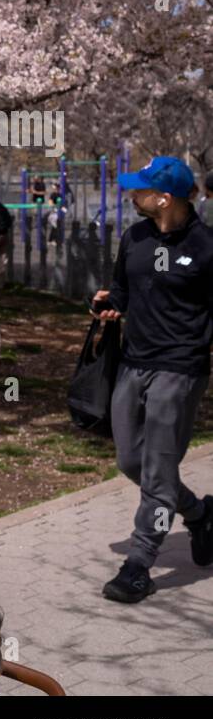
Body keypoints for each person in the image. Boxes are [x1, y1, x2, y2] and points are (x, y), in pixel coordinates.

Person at [92, 156, 213, 603]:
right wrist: (106, 304)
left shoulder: (205, 247)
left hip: (180, 371)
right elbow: (121, 291)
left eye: (140, 189)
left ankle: (139, 563)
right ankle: (200, 515)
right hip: (132, 364)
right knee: (131, 462)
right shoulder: (135, 238)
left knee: (159, 472)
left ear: (164, 199)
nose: (132, 194)